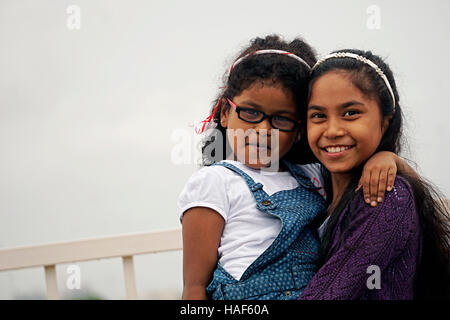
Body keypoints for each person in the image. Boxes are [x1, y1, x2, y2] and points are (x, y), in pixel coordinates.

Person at [179, 35, 409, 300]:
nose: (263, 130)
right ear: (224, 113)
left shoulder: (312, 175)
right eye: (250, 113)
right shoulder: (214, 181)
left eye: (282, 119)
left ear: (299, 130)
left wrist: (388, 159)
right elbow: (194, 287)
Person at [298, 49, 450, 300]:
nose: (333, 130)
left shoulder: (383, 196)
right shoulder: (313, 191)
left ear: (386, 121)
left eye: (351, 113)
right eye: (318, 116)